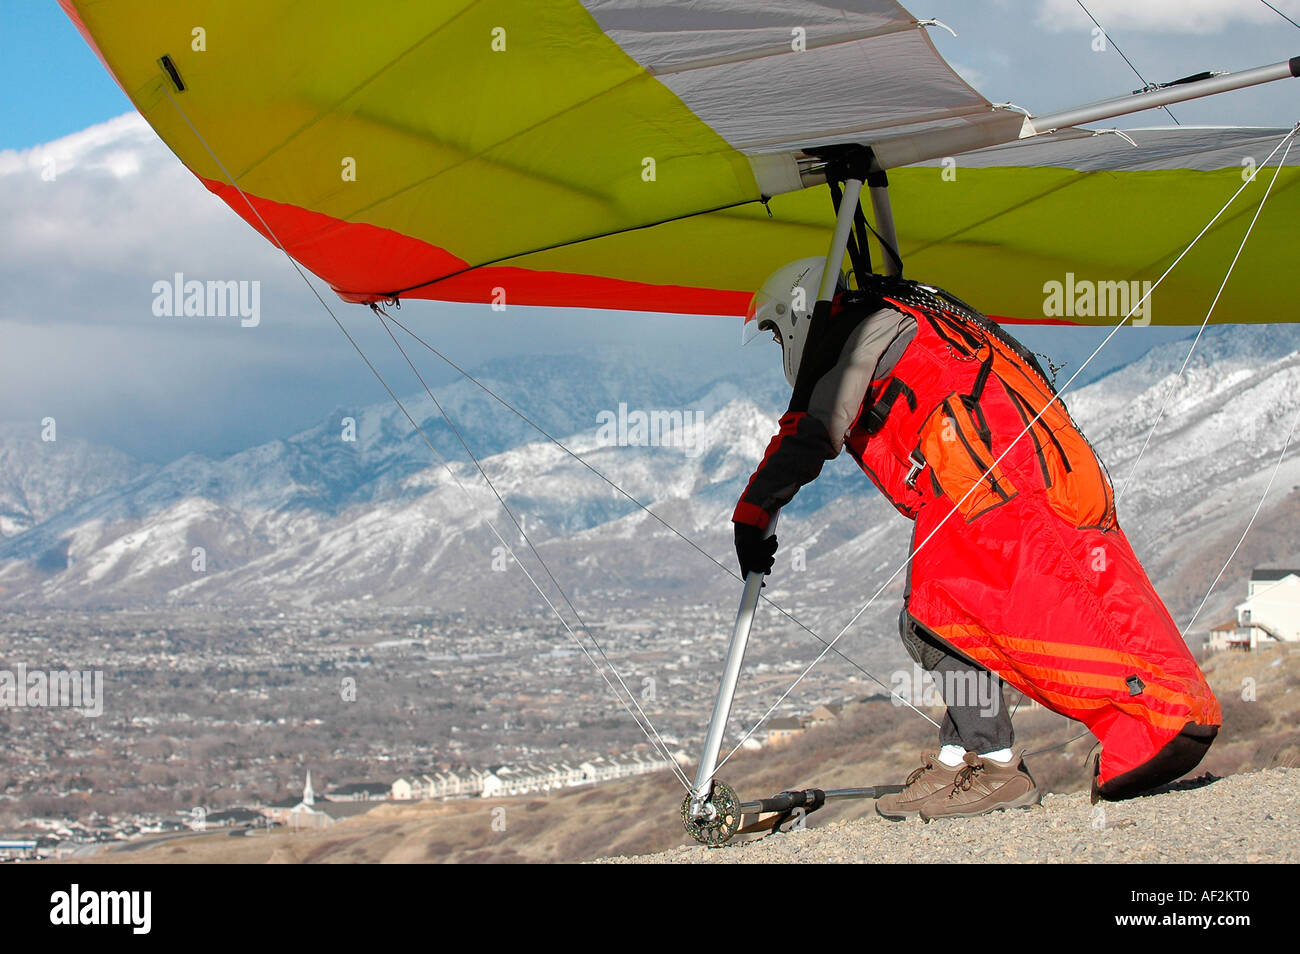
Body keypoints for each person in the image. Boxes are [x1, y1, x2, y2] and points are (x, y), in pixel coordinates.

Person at [734, 258, 1221, 821]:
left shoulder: (862, 331)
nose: (782, 347)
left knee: (935, 619)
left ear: (798, 313)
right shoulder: (902, 318)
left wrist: (753, 511)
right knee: (991, 619)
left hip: (987, 480)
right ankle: (965, 757)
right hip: (1027, 468)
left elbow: (811, 430)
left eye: (778, 334)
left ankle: (997, 765)